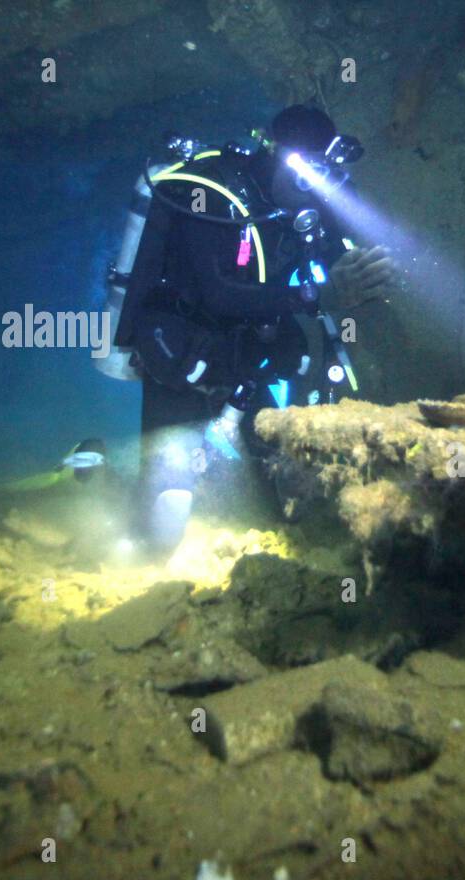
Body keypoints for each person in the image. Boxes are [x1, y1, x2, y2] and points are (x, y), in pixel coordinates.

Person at [99, 105, 395, 552]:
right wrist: (318, 296)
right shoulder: (211, 194)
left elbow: (336, 256)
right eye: (305, 167)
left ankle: (277, 538)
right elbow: (219, 295)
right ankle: (108, 500)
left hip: (246, 356)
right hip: (180, 356)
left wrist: (365, 278)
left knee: (278, 472)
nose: (311, 182)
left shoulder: (299, 208)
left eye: (321, 170)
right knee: (165, 515)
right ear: (274, 152)